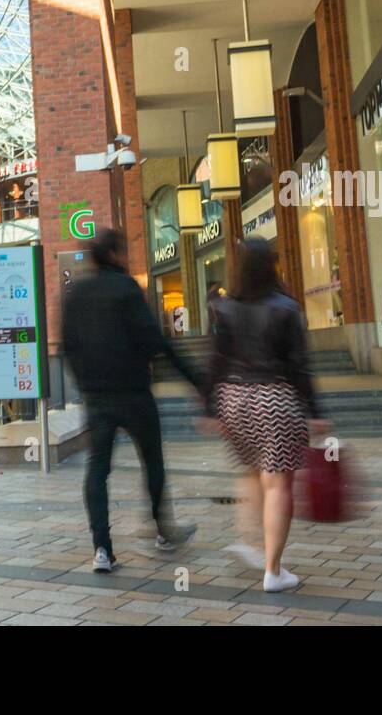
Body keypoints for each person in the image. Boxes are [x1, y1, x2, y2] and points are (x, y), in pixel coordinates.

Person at [62, 228, 200, 573]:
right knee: (152, 461)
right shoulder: (126, 289)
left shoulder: (74, 294)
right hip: (134, 394)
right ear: (113, 255)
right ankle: (163, 529)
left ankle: (102, 550)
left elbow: (68, 346)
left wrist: (85, 385)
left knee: (97, 469)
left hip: (97, 399)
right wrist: (197, 380)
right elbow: (157, 341)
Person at [204, 238, 328, 593]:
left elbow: (215, 360)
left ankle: (252, 542)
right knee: (277, 484)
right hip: (273, 398)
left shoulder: (225, 308)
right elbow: (299, 366)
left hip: (233, 400)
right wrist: (315, 411)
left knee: (251, 472)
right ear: (272, 265)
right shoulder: (286, 308)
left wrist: (208, 406)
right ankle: (273, 570)